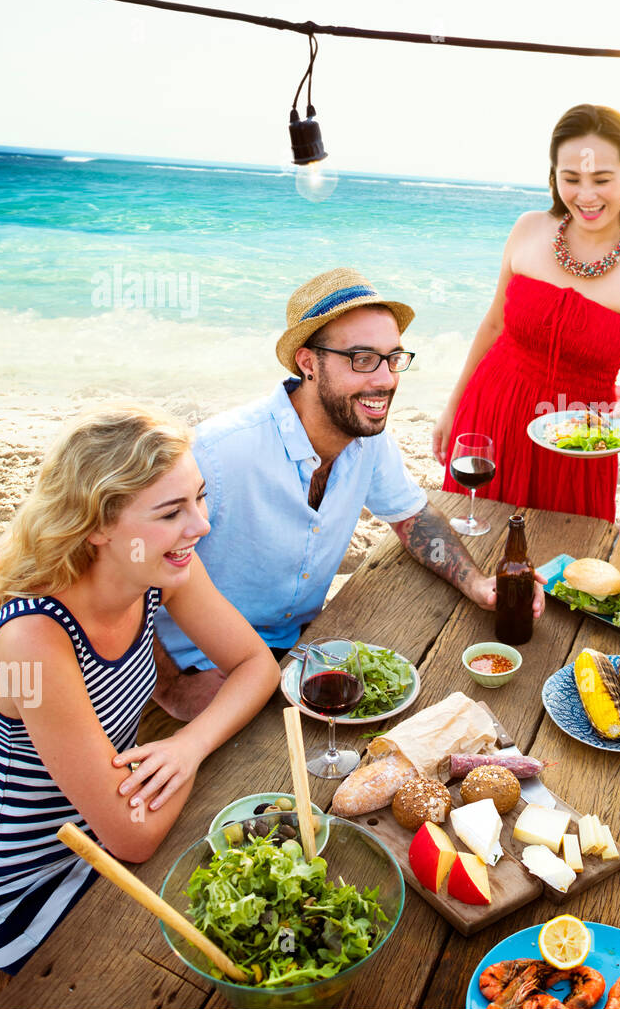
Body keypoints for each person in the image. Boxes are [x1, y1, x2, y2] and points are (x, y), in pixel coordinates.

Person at [0, 406, 278, 979]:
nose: (200, 524)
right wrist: (188, 751)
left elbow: (257, 666)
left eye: (199, 498)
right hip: (32, 889)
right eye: (171, 511)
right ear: (99, 525)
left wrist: (188, 745)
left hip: (118, 805)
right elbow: (133, 836)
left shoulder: (160, 568)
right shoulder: (30, 639)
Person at [153, 267, 543, 712]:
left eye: (393, 358)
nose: (385, 379)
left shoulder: (368, 440)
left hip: (302, 654)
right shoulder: (219, 453)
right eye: (362, 359)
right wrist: (169, 688)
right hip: (203, 668)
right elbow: (126, 571)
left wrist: (478, 584)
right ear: (307, 363)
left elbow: (413, 518)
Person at [433, 103, 620, 522]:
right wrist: (452, 406)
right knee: (475, 547)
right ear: (554, 177)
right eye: (571, 179)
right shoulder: (528, 229)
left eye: (602, 179)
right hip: (491, 411)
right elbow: (495, 323)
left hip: (577, 439)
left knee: (562, 574)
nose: (586, 196)